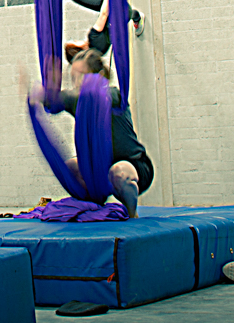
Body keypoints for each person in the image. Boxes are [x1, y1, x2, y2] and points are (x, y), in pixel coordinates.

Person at [27, 48, 153, 218]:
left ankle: (132, 215)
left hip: (136, 167)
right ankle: (93, 205)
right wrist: (43, 94)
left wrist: (54, 96)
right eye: (73, 78)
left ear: (99, 76)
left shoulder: (114, 95)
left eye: (82, 76)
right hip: (99, 170)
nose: (77, 83)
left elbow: (84, 96)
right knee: (70, 167)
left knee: (118, 172)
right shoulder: (78, 100)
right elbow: (56, 104)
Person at [61, 0, 142, 60]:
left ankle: (137, 20)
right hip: (116, 9)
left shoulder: (99, 53)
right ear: (79, 50)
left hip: (123, 17)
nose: (76, 40)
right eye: (75, 42)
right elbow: (103, 14)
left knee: (131, 13)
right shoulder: (93, 38)